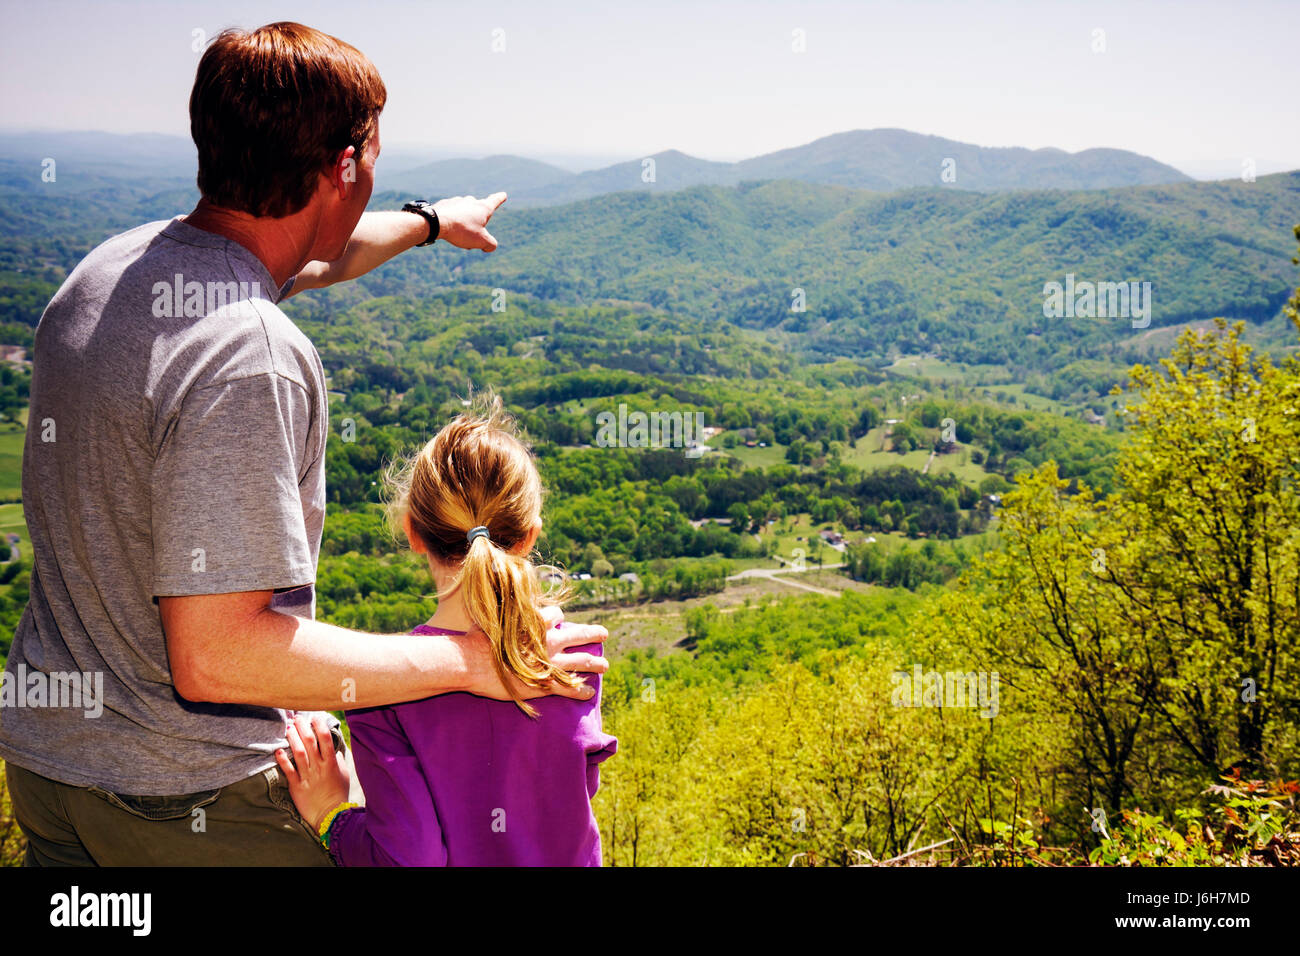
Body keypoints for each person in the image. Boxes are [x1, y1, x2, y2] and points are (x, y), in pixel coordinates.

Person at [0, 21, 606, 867]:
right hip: (190, 801)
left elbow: (312, 254)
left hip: (53, 773)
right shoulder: (252, 355)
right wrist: (470, 661)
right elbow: (213, 657)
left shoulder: (112, 272)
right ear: (342, 168)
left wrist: (431, 223)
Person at [276, 397, 617, 865]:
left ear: (413, 532)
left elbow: (409, 857)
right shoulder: (575, 657)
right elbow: (571, 798)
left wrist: (331, 814)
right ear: (530, 536)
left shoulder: (383, 689)